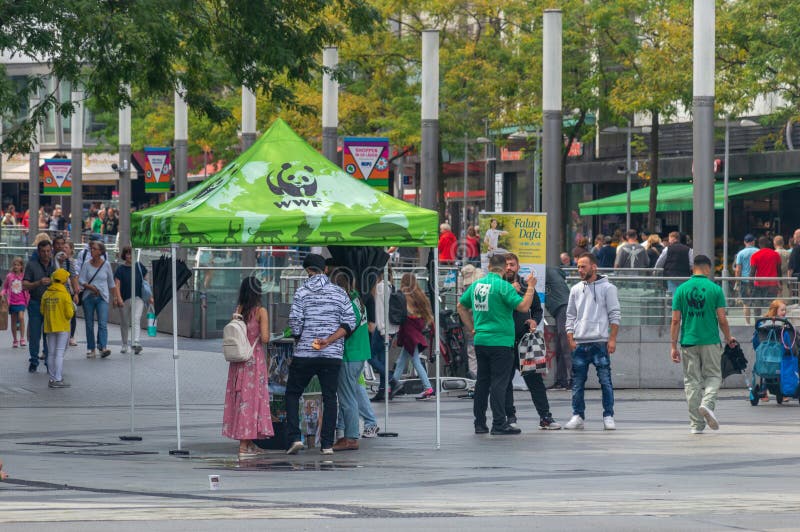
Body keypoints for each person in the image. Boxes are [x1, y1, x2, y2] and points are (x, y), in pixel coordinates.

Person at [457, 253, 537, 436]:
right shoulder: (503, 286)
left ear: (489, 267)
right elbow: (524, 307)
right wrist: (531, 287)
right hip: (501, 341)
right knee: (500, 383)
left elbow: (461, 307)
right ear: (503, 268)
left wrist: (472, 328)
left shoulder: (477, 285)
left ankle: (479, 423)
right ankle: (499, 423)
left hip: (481, 341)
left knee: (482, 382)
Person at [286, 253, 356, 455]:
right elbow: (349, 323)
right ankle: (326, 444)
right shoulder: (339, 293)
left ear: (307, 271)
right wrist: (329, 340)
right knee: (329, 397)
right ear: (325, 269)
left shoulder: (301, 293)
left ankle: (294, 438)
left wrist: (301, 336)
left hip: (305, 353)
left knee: (293, 393)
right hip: (331, 355)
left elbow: (295, 324)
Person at [670, 254, 736, 434]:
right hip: (710, 341)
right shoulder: (715, 289)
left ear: (694, 268)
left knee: (691, 382)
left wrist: (673, 346)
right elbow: (722, 319)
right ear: (707, 268)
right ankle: (707, 404)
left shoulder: (681, 290)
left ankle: (696, 425)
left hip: (688, 341)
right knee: (714, 376)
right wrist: (728, 337)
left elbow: (675, 320)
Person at [564, 253, 621, 431]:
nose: (580, 270)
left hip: (600, 342)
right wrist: (571, 338)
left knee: (605, 381)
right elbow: (570, 316)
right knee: (577, 382)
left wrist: (612, 339)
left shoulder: (608, 288)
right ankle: (577, 415)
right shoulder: (575, 289)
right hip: (580, 343)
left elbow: (615, 315)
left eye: (583, 266)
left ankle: (608, 415)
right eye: (578, 267)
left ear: (593, 267)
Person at [503, 253, 560, 430]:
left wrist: (535, 320)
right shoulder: (498, 286)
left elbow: (536, 309)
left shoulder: (528, 286)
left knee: (535, 381)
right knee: (505, 383)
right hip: (504, 342)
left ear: (518, 267)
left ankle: (545, 417)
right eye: (506, 265)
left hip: (524, 342)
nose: (509, 268)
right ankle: (510, 418)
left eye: (512, 264)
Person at [222, 276, 273, 459]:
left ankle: (250, 443)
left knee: (241, 400)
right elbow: (266, 338)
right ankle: (244, 446)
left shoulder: (239, 310)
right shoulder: (261, 311)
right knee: (251, 402)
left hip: (238, 363)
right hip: (254, 361)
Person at [331, 269, 376, 451]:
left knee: (347, 397)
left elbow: (348, 326)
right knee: (349, 394)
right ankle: (348, 435)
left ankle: (350, 437)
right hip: (360, 352)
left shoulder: (347, 302)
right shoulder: (357, 297)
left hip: (350, 354)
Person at [391, 273, 436, 400]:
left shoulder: (403, 296)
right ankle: (393, 385)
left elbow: (402, 319)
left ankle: (428, 388)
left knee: (415, 361)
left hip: (408, 334)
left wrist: (396, 337)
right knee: (401, 361)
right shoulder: (418, 296)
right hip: (415, 333)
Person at [22, 239, 56, 372]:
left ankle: (49, 361)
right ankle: (34, 361)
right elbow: (24, 285)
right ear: (38, 252)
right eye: (43, 251)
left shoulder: (55, 265)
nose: (46, 254)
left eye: (48, 251)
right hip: (36, 302)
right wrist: (38, 283)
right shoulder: (31, 265)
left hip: (51, 304)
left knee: (49, 334)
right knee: (35, 334)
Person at [78, 240, 115, 358]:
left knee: (102, 323)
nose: (92, 250)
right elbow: (81, 280)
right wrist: (90, 287)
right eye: (91, 249)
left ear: (100, 251)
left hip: (102, 297)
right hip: (88, 297)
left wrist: (116, 297)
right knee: (89, 324)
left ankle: (103, 347)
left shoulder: (106, 265)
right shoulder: (86, 264)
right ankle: (91, 348)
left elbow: (111, 283)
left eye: (94, 249)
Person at [367, 267, 399, 402]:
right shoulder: (391, 286)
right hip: (391, 329)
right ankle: (382, 390)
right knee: (382, 360)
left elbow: (380, 311)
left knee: (369, 356)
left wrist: (381, 330)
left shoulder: (380, 287)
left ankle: (392, 379)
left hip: (383, 330)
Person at [113, 246, 152, 355]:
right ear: (124, 255)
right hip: (124, 299)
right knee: (125, 322)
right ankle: (125, 344)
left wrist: (150, 296)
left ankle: (136, 342)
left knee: (136, 319)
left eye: (132, 253)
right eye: (128, 253)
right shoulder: (120, 269)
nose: (130, 256)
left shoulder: (139, 266)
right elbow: (117, 285)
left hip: (138, 298)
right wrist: (118, 298)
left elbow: (146, 283)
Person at [41, 268, 75, 388]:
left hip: (49, 326)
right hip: (63, 327)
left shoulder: (46, 293)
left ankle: (52, 378)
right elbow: (69, 314)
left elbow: (42, 311)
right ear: (64, 280)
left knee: (51, 353)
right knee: (59, 353)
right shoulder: (65, 295)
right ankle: (58, 378)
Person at [545, 265, 572, 390]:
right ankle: (562, 380)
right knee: (561, 347)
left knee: (565, 345)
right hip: (562, 307)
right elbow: (562, 274)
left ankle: (574, 379)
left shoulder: (544, 271)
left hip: (563, 308)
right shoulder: (553, 270)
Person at [460, 264, 485, 380]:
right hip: (476, 321)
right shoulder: (481, 281)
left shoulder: (478, 280)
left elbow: (461, 306)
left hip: (474, 321)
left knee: (473, 351)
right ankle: (475, 378)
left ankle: (475, 379)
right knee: (474, 350)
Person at [750, 235, 781, 316]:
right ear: (768, 243)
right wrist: (780, 283)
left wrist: (750, 286)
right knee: (772, 306)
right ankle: (772, 323)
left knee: (757, 306)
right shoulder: (775, 254)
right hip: (772, 285)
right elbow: (779, 271)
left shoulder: (755, 255)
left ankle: (757, 323)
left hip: (759, 285)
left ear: (759, 244)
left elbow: (752, 272)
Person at [2, 257, 29, 348]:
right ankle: (15, 340)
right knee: (13, 321)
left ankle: (22, 338)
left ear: (21, 266)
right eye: (14, 265)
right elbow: (5, 287)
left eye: (18, 265)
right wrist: (2, 293)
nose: (16, 267)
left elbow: (27, 287)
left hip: (21, 301)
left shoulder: (24, 276)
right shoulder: (9, 276)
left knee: (21, 317)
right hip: (12, 302)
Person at [734, 234, 759, 324]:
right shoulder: (758, 251)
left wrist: (737, 282)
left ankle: (747, 323)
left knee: (746, 303)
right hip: (756, 280)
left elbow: (738, 269)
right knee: (757, 302)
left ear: (745, 242)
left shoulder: (740, 253)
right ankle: (758, 322)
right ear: (753, 242)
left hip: (744, 281)